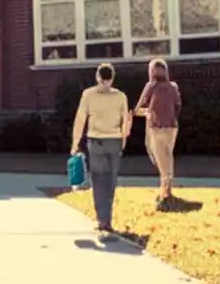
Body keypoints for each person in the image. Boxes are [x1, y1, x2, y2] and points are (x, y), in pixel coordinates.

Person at [70, 63, 131, 242]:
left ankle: (102, 219)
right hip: (114, 141)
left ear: (98, 77)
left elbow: (80, 118)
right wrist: (123, 144)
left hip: (95, 141)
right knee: (111, 181)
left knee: (98, 180)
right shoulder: (120, 96)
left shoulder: (88, 95)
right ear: (112, 78)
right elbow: (125, 122)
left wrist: (75, 142)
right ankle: (107, 220)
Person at [134, 57, 182, 211]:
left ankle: (165, 196)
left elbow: (138, 109)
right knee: (167, 158)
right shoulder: (173, 87)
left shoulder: (151, 86)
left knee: (161, 160)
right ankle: (166, 190)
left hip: (157, 127)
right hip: (172, 127)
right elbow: (178, 106)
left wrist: (149, 112)